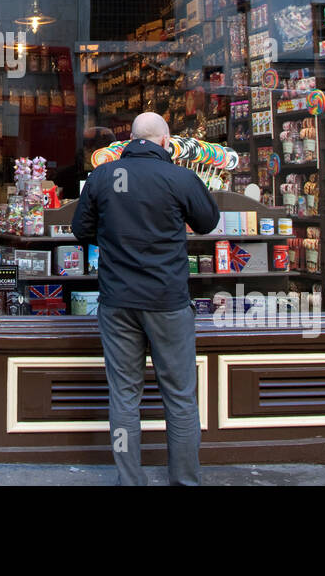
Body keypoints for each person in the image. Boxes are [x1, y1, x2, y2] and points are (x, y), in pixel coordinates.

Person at [72, 111, 220, 485]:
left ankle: (129, 479)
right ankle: (185, 479)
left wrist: (114, 239)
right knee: (181, 397)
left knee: (124, 396)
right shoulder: (180, 177)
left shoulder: (103, 176)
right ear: (166, 142)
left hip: (118, 299)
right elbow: (207, 222)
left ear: (129, 141)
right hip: (168, 300)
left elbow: (80, 229)